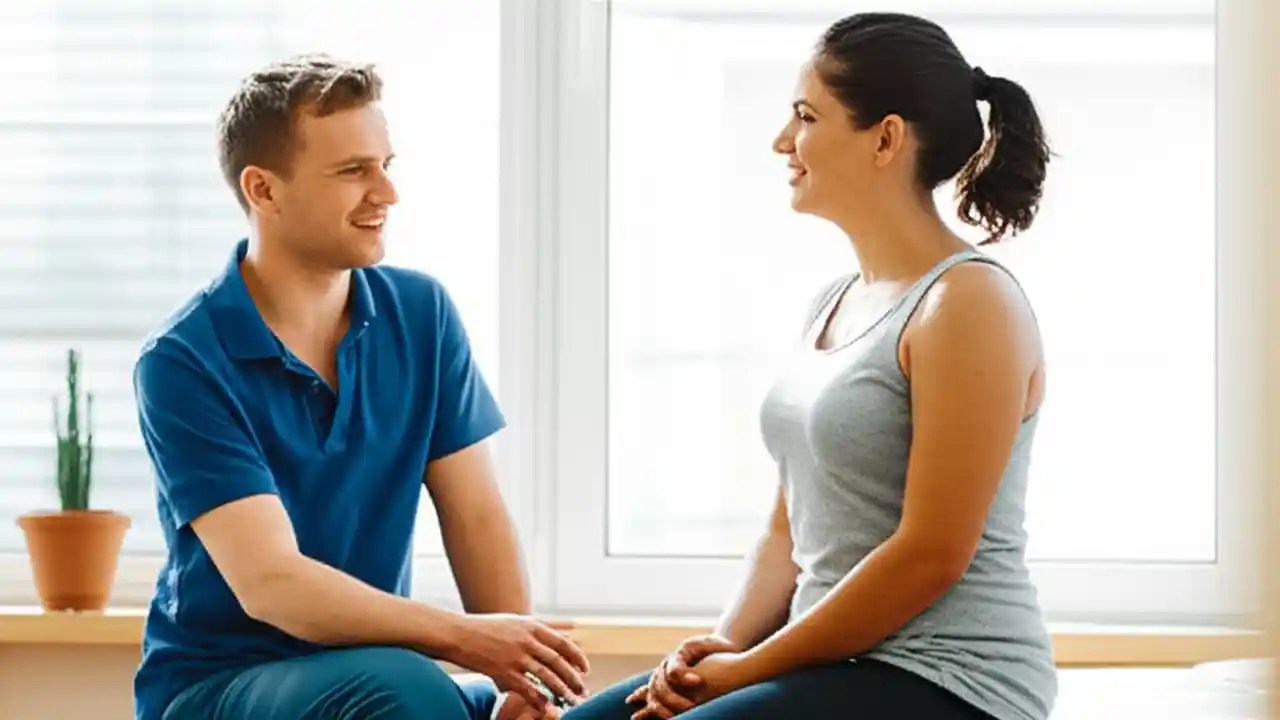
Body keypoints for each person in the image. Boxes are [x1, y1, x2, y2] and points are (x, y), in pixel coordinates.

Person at [565, 11, 1055, 720]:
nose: (782, 142)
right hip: (833, 664)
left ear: (885, 138)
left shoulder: (969, 303)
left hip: (950, 678)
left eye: (805, 117)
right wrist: (715, 649)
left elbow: (931, 554)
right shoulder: (834, 303)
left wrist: (746, 671)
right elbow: (787, 532)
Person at [131, 55, 586, 720]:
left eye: (386, 165)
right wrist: (470, 641)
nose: (386, 193)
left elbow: (476, 516)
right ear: (264, 190)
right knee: (413, 689)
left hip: (371, 675)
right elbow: (272, 585)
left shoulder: (420, 314)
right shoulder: (183, 361)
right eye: (353, 171)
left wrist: (525, 680)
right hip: (220, 686)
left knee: (561, 708)